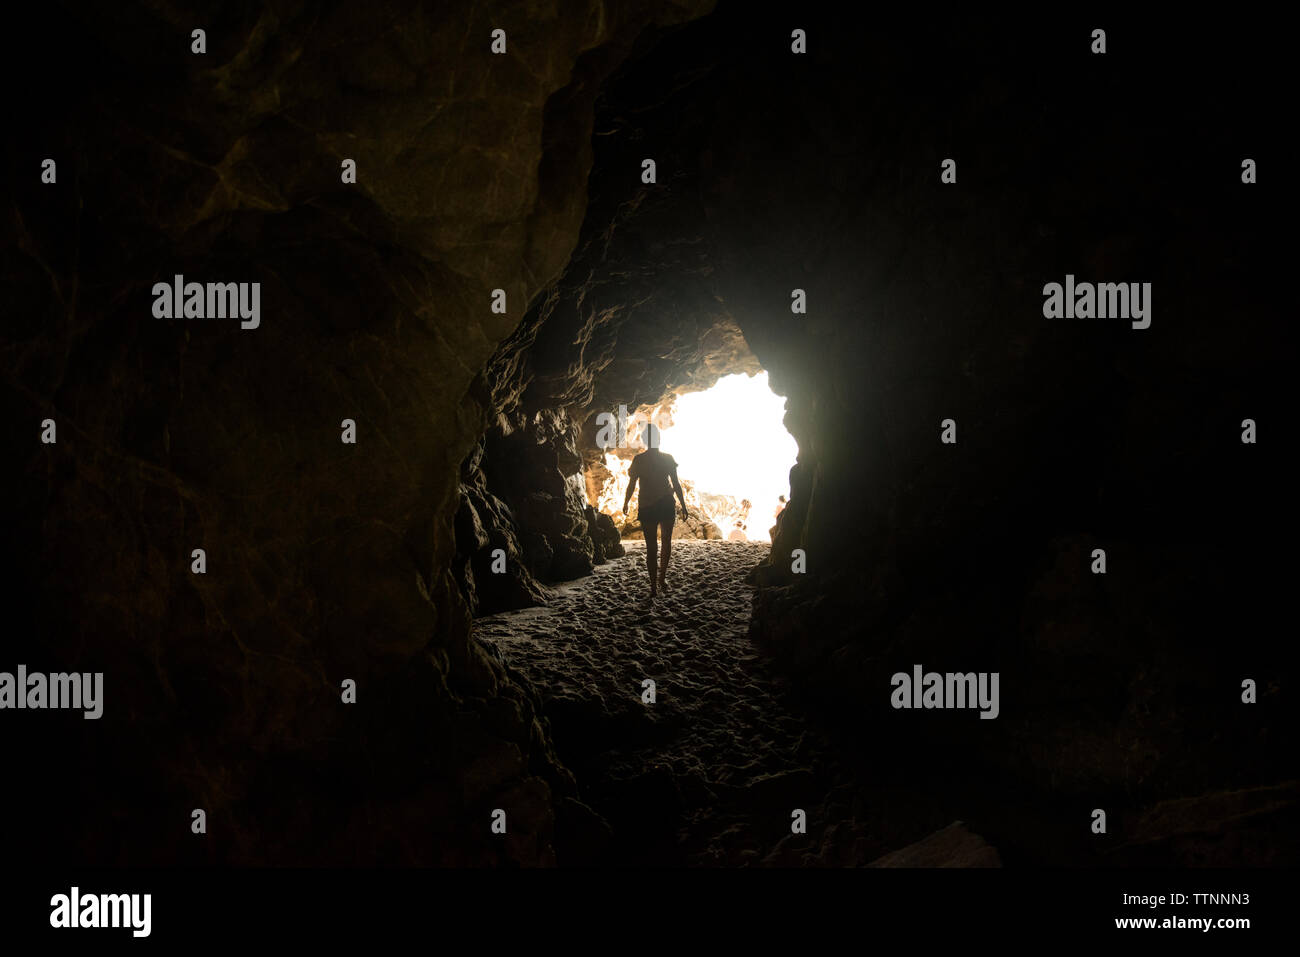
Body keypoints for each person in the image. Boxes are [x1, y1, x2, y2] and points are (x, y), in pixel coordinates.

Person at [622, 423, 687, 600]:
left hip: (647, 505)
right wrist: (683, 504)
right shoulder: (667, 458)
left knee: (651, 547)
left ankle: (653, 586)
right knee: (666, 543)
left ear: (643, 440)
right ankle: (662, 579)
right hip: (665, 503)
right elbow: (676, 484)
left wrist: (626, 502)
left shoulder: (639, 460)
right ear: (659, 439)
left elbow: (632, 484)